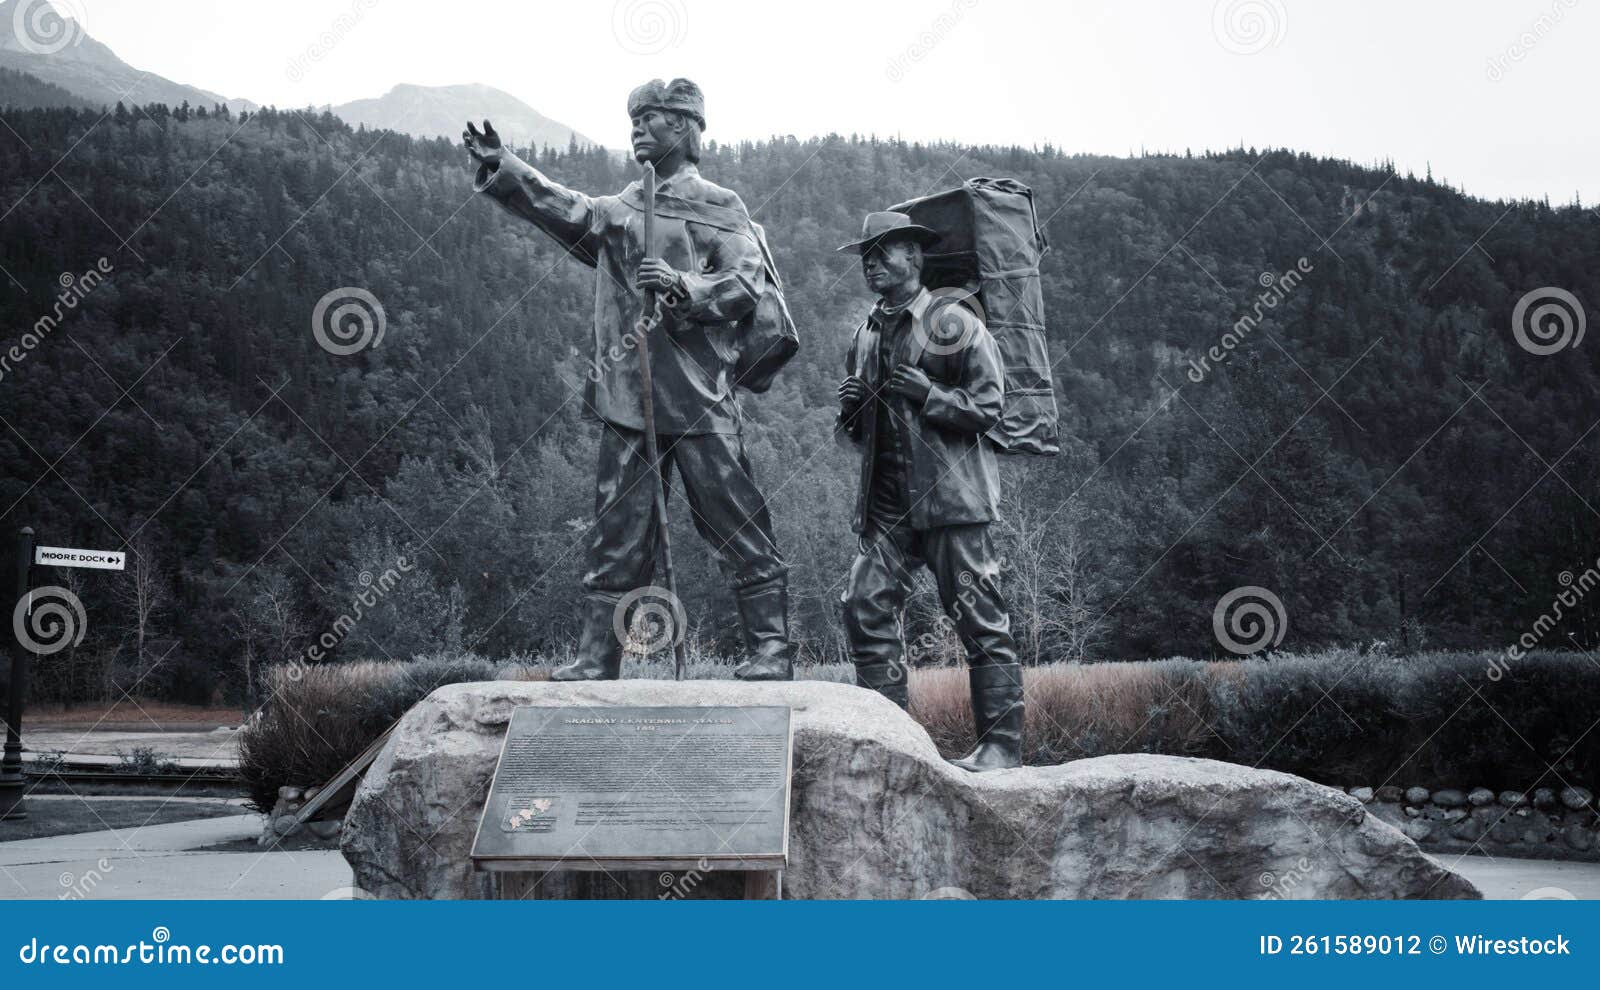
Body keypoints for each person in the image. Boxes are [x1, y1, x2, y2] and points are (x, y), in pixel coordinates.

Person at [463, 79, 795, 681]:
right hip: (630, 399)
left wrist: (684, 286)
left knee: (736, 520)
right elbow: (568, 210)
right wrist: (507, 168)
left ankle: (771, 651)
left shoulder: (720, 206)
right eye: (634, 118)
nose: (638, 127)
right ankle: (597, 658)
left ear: (686, 129)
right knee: (617, 531)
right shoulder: (619, 210)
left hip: (699, 396)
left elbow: (745, 283)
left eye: (652, 118)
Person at [835, 211, 1024, 771]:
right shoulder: (865, 332)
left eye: (883, 251)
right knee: (862, 604)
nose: (871, 263)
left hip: (952, 501)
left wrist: (929, 394)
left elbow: (991, 408)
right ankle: (892, 742)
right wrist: (851, 412)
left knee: (978, 616)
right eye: (866, 255)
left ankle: (1002, 748)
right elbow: (859, 434)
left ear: (914, 257)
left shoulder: (955, 322)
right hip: (887, 506)